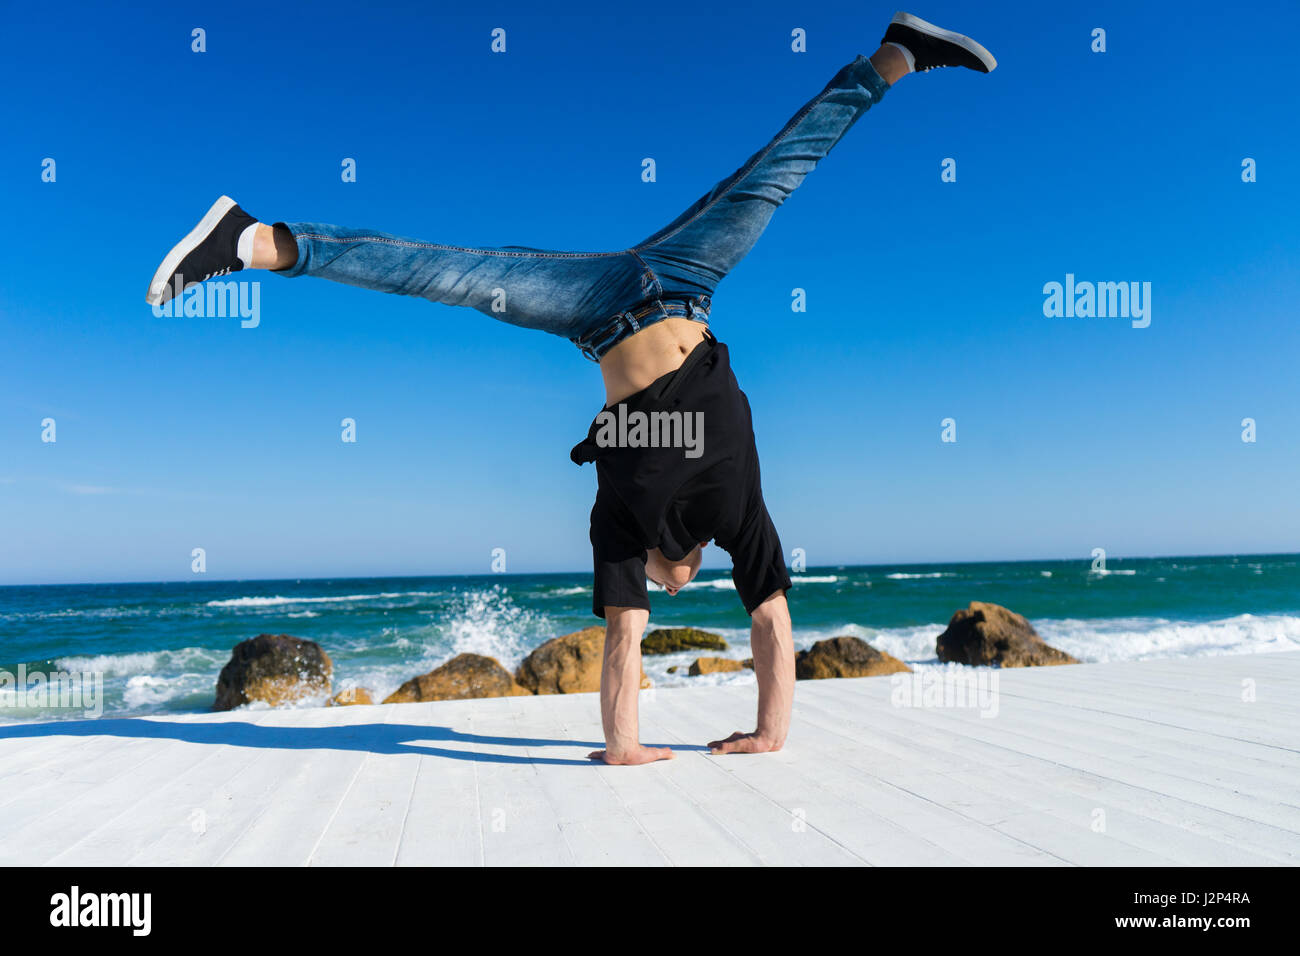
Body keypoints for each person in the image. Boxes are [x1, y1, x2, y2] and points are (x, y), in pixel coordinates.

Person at [146, 12, 996, 765]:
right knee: (779, 170)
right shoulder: (742, 518)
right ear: (696, 555)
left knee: (453, 275)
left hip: (604, 314)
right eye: (687, 575)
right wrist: (765, 736)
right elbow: (767, 619)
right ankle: (898, 57)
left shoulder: (622, 520)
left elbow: (629, 628)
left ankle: (260, 242)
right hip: (687, 284)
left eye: (674, 582)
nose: (679, 580)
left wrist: (629, 744)